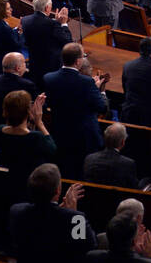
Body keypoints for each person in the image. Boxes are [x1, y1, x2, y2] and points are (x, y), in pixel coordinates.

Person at [42, 43, 110, 176]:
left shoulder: (49, 78)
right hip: (83, 139)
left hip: (59, 133)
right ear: (78, 61)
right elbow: (102, 107)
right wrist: (98, 91)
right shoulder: (87, 82)